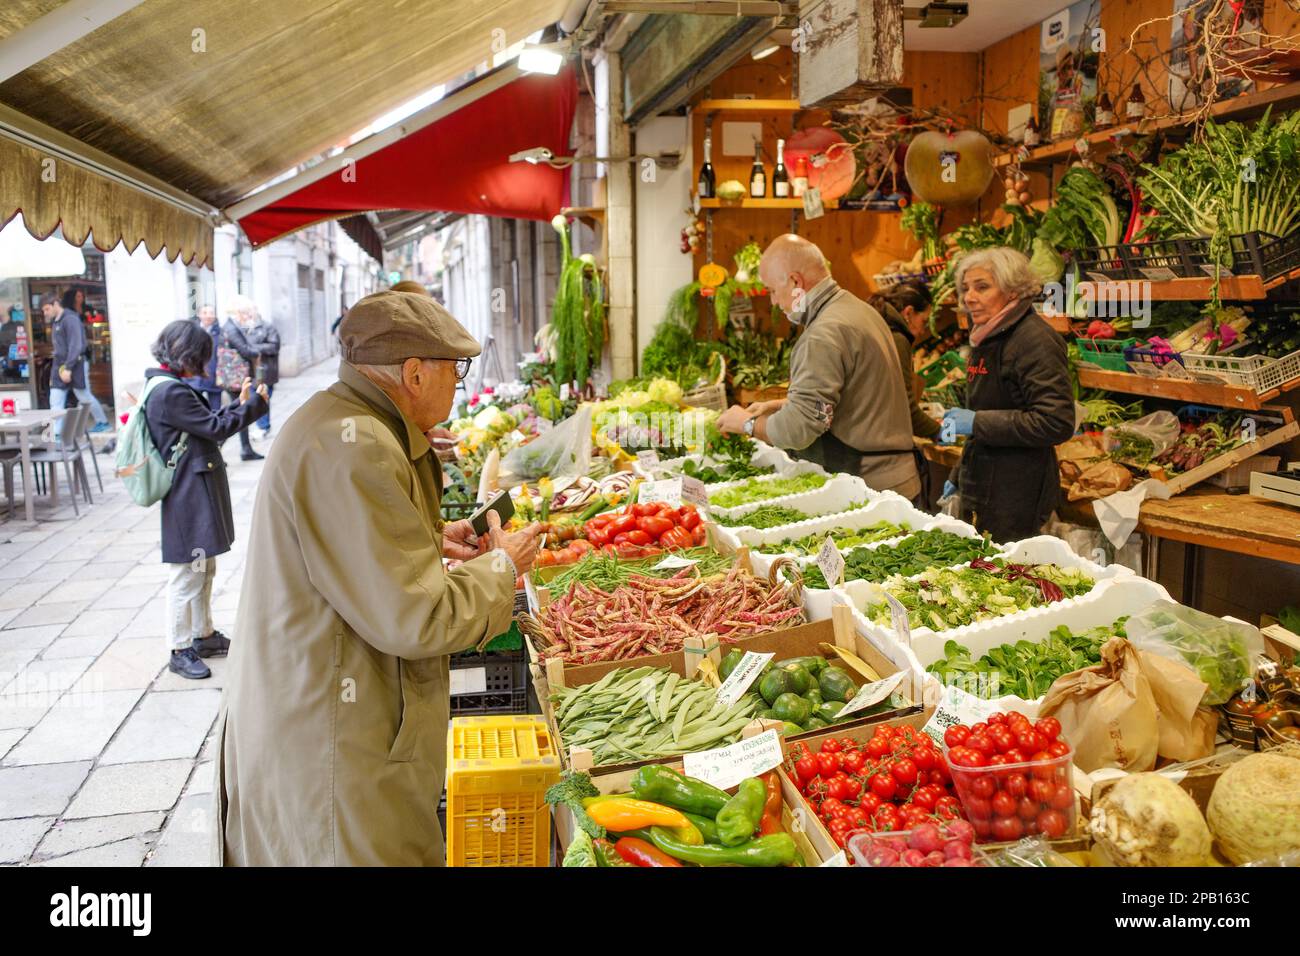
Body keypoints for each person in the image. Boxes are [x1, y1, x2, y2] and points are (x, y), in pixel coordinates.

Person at [213, 290, 540, 866]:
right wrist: (503, 565)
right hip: (334, 733)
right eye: (455, 368)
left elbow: (347, 550)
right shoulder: (357, 445)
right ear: (415, 373)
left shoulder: (340, 419)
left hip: (320, 705)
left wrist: (425, 536)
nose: (459, 382)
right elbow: (417, 617)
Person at [716, 235, 920, 500]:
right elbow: (852, 395)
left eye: (773, 291)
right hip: (898, 481)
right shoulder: (859, 310)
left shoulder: (823, 333)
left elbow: (798, 429)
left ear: (795, 282)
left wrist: (746, 424)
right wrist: (780, 404)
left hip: (869, 488)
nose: (774, 302)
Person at [142, 321, 268, 680]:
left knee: (203, 567)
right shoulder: (170, 392)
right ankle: (179, 648)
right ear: (189, 355)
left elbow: (206, 424)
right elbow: (214, 429)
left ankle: (204, 635)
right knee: (187, 574)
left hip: (194, 487)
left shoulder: (166, 386)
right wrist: (254, 407)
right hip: (188, 493)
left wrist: (241, 406)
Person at [940, 247, 1075, 544]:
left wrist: (976, 422)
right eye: (965, 289)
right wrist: (959, 474)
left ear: (1013, 290)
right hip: (983, 484)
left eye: (982, 287)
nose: (969, 298)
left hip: (1017, 497)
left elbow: (1056, 421)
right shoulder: (987, 335)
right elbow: (986, 414)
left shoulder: (1034, 341)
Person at [869, 282, 941, 442]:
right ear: (908, 312)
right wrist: (946, 433)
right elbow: (904, 409)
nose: (923, 331)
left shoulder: (877, 326)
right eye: (924, 321)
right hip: (878, 447)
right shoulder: (897, 339)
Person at [41, 293, 109, 439]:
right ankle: (58, 433)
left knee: (83, 395)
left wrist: (68, 368)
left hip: (75, 363)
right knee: (55, 399)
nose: (45, 313)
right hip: (59, 365)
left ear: (55, 304)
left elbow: (76, 345)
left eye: (47, 309)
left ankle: (102, 422)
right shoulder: (56, 321)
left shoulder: (70, 319)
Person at [220, 297, 264, 461]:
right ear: (239, 312)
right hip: (235, 378)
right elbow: (245, 350)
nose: (249, 315)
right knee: (238, 409)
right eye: (247, 312)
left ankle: (245, 448)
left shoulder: (234, 326)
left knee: (240, 409)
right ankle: (218, 442)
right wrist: (257, 353)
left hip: (235, 377)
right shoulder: (231, 328)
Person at [243, 309, 281, 438]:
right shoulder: (243, 328)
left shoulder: (267, 327)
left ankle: (263, 427)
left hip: (265, 371)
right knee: (254, 398)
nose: (247, 315)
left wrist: (252, 347)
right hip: (250, 371)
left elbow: (274, 346)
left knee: (263, 398)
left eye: (248, 312)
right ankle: (260, 426)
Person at [189, 306, 224, 411]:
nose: (208, 315)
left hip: (214, 376)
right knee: (195, 410)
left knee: (216, 411)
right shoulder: (191, 331)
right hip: (193, 376)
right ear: (199, 315)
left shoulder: (221, 333)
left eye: (211, 313)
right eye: (204, 313)